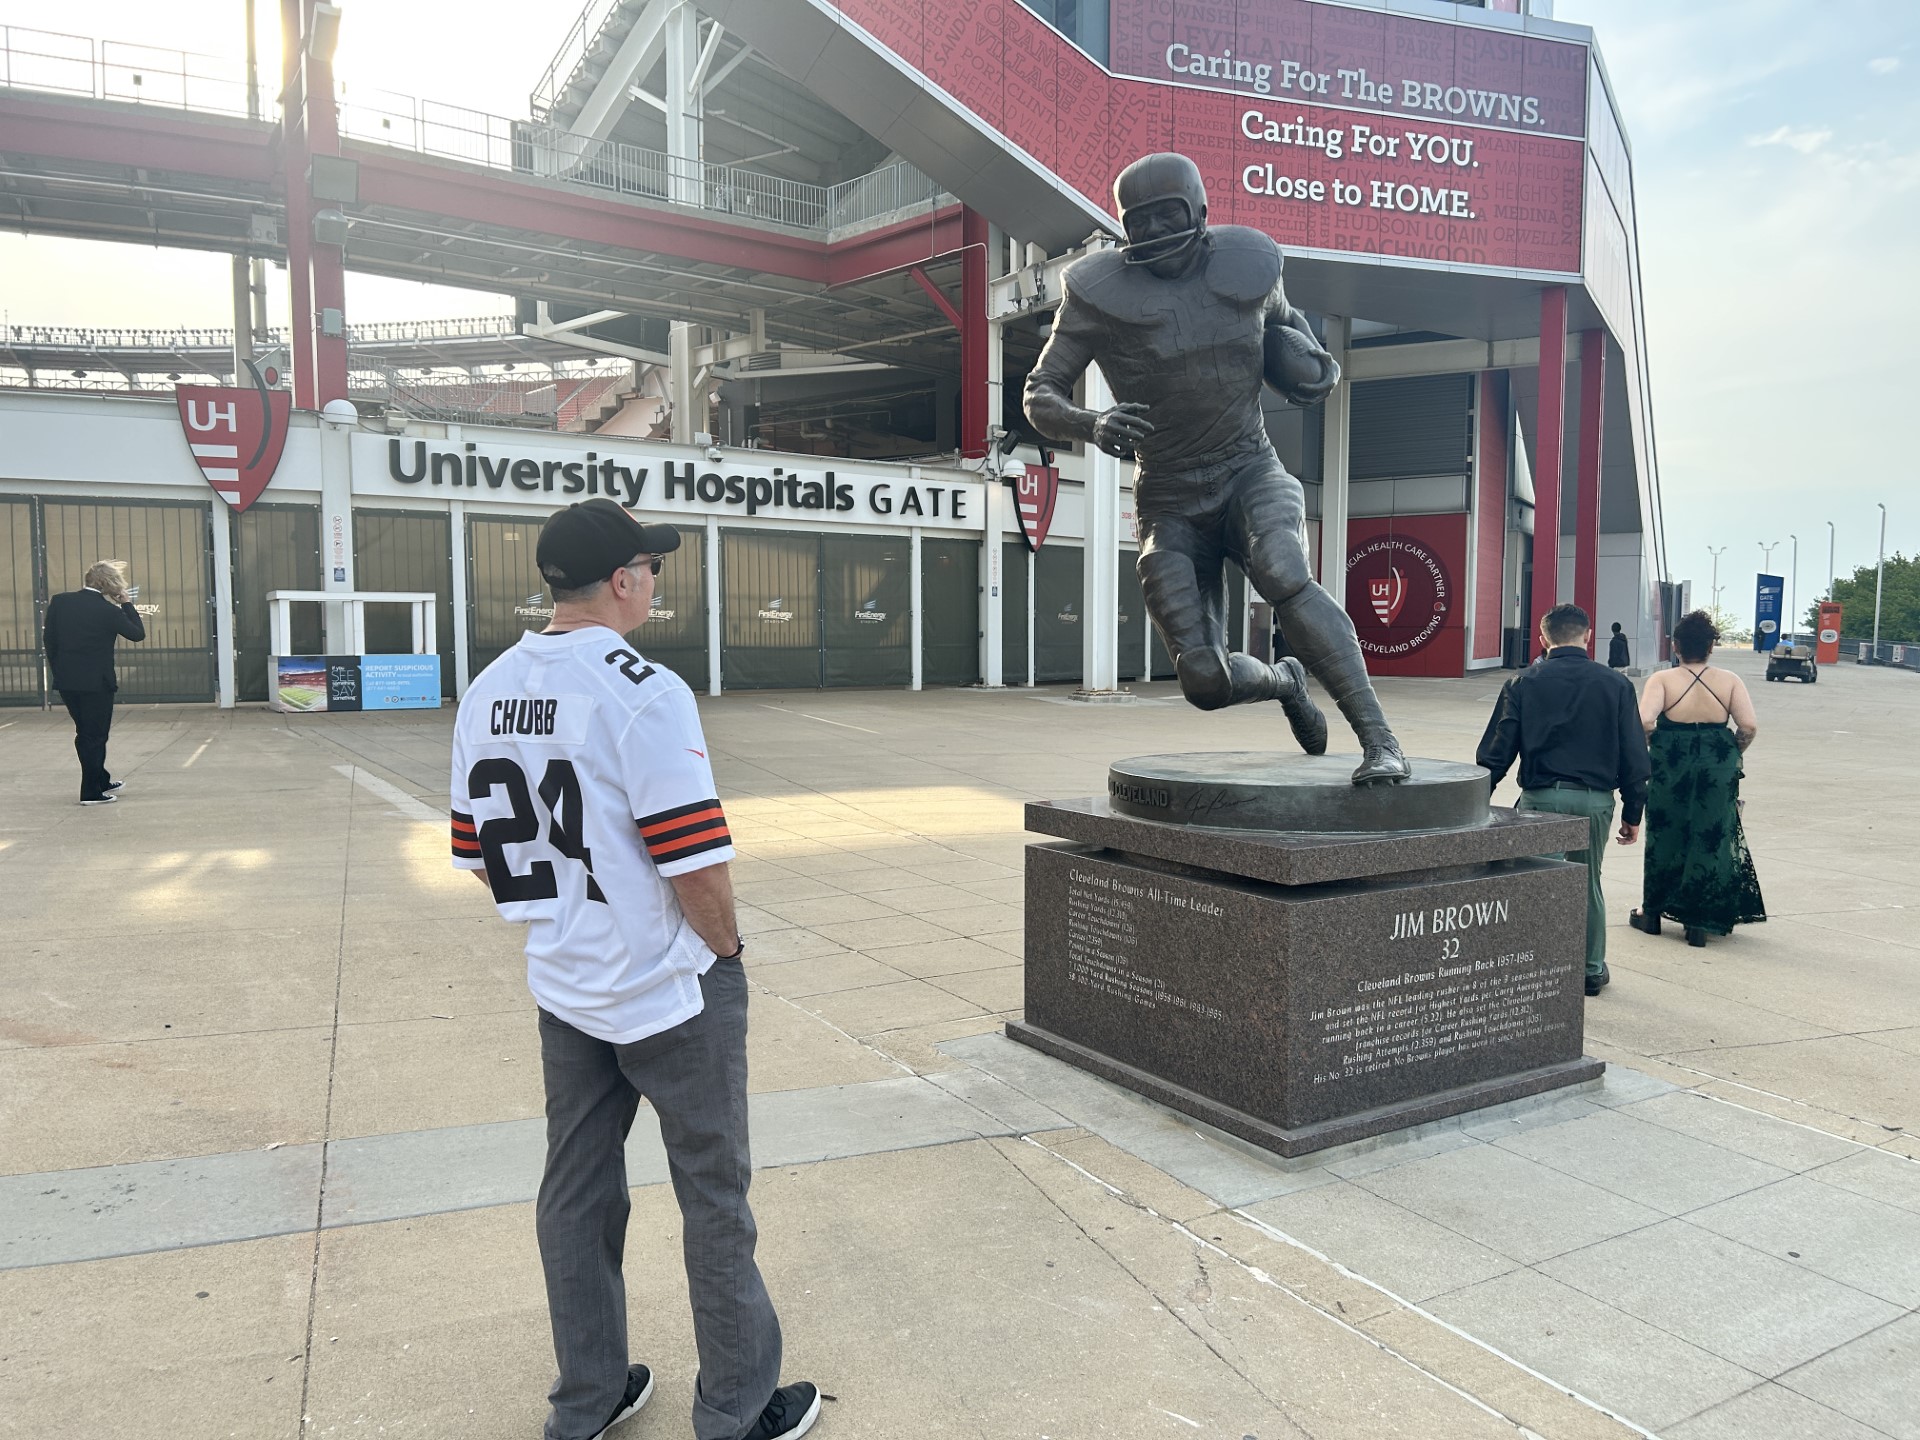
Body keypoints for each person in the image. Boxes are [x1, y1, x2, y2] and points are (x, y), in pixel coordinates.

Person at [451, 498, 819, 1440]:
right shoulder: (645, 688)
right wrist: (726, 954)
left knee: (574, 1192)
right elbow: (693, 858)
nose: (656, 579)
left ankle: (585, 1401)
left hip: (563, 983)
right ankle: (735, 1411)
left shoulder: (488, 689)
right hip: (666, 989)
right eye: (651, 566)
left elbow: (476, 850)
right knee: (712, 1196)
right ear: (622, 580)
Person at [1024, 152, 1409, 785]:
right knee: (1202, 680)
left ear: (1199, 213)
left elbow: (1299, 348)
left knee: (1284, 573)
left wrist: (1315, 371)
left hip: (1247, 468)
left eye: (1165, 215)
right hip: (1169, 494)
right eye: (1138, 221)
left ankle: (1380, 741)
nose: (1152, 232)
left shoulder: (1249, 267)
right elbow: (1040, 391)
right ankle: (1285, 682)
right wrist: (1090, 424)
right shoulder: (1095, 292)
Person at [1476, 604, 1650, 996]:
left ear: (1543, 639)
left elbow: (1497, 751)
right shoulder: (1616, 685)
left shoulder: (1523, 682)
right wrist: (1633, 810)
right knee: (1588, 883)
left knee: (1538, 886)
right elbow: (1635, 755)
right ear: (1588, 636)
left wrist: (1478, 801)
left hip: (1540, 801)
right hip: (1594, 802)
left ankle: (1538, 968)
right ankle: (1590, 970)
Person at [1631, 609, 1765, 947]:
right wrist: (1731, 752)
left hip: (1671, 760)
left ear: (1676, 645)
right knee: (1709, 834)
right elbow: (1748, 726)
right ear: (1710, 646)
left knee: (1665, 834)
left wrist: (1657, 746)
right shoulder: (1730, 680)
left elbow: (1646, 721)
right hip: (1716, 761)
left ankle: (1653, 913)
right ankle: (1698, 921)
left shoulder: (1662, 680)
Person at [43, 559, 146, 806]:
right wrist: (127, 603)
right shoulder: (109, 611)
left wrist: (60, 670)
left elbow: (49, 639)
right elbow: (137, 634)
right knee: (95, 736)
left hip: (68, 681)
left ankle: (100, 779)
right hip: (97, 684)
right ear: (110, 584)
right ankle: (91, 791)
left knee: (86, 733)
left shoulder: (60, 602)